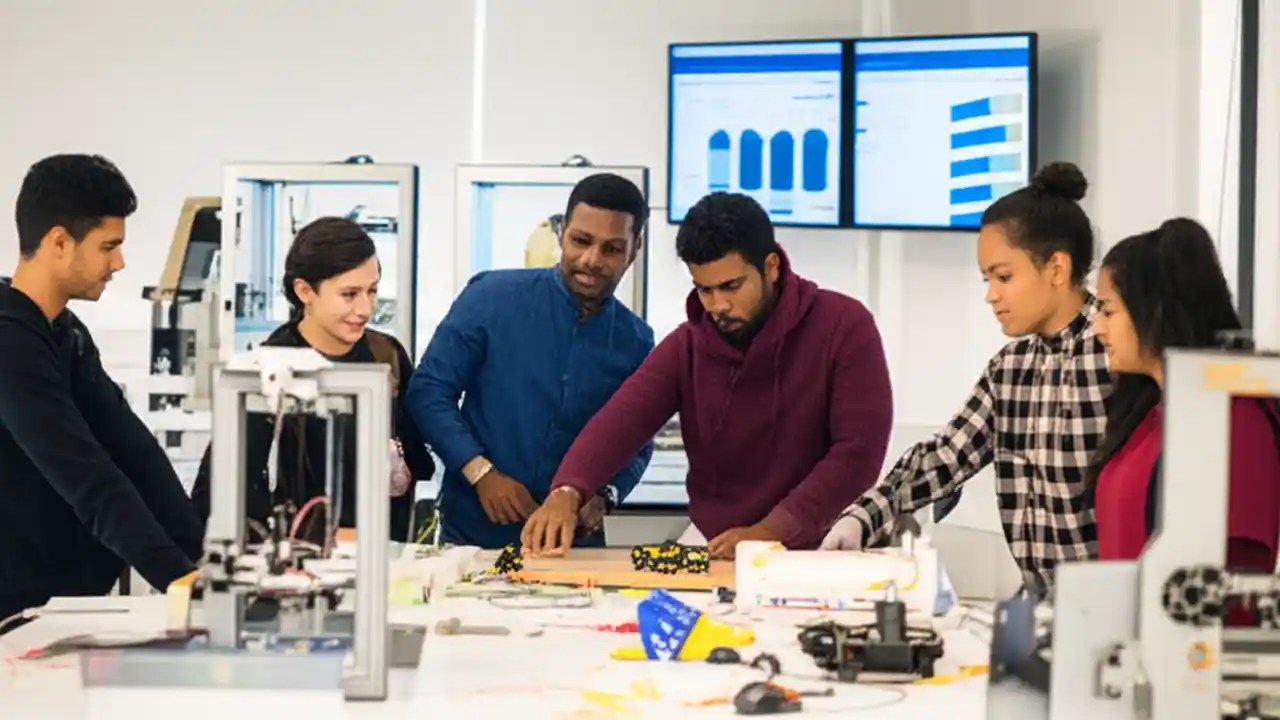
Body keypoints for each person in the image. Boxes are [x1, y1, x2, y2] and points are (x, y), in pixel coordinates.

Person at [522, 191, 894, 559]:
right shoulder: (689, 344)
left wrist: (771, 532)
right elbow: (621, 421)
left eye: (732, 286)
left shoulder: (844, 326)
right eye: (705, 290)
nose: (718, 305)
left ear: (771, 267)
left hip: (824, 548)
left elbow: (857, 456)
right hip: (721, 547)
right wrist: (567, 491)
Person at [821, 162, 1112, 597]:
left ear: (1056, 268)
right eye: (987, 279)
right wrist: (863, 516)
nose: (991, 295)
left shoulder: (1115, 353)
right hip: (1043, 606)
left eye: (1004, 276)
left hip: (1110, 609)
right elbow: (944, 457)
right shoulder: (1011, 369)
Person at [0, 154, 203, 624]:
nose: (119, 262)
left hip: (52, 605)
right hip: (13, 612)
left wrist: (206, 561)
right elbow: (89, 480)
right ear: (59, 242)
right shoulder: (10, 342)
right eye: (108, 246)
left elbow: (135, 452)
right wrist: (182, 580)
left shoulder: (64, 332)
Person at [407, 173, 654, 549]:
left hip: (572, 549)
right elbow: (428, 391)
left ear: (635, 249)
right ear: (562, 233)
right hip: (473, 540)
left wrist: (604, 496)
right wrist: (480, 472)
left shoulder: (635, 341)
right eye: (581, 241)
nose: (591, 260)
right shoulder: (490, 297)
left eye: (612, 249)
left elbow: (638, 441)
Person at [190, 217, 434, 543]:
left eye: (372, 291)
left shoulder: (386, 356)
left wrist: (399, 461)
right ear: (305, 291)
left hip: (381, 551)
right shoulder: (269, 369)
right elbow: (217, 491)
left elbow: (418, 459)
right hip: (300, 558)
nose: (365, 308)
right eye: (349, 294)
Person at [1090, 218, 1280, 570]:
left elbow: (1238, 567)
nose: (1098, 328)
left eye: (1108, 311)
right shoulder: (1148, 413)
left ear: (1156, 309)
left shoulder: (1236, 421)